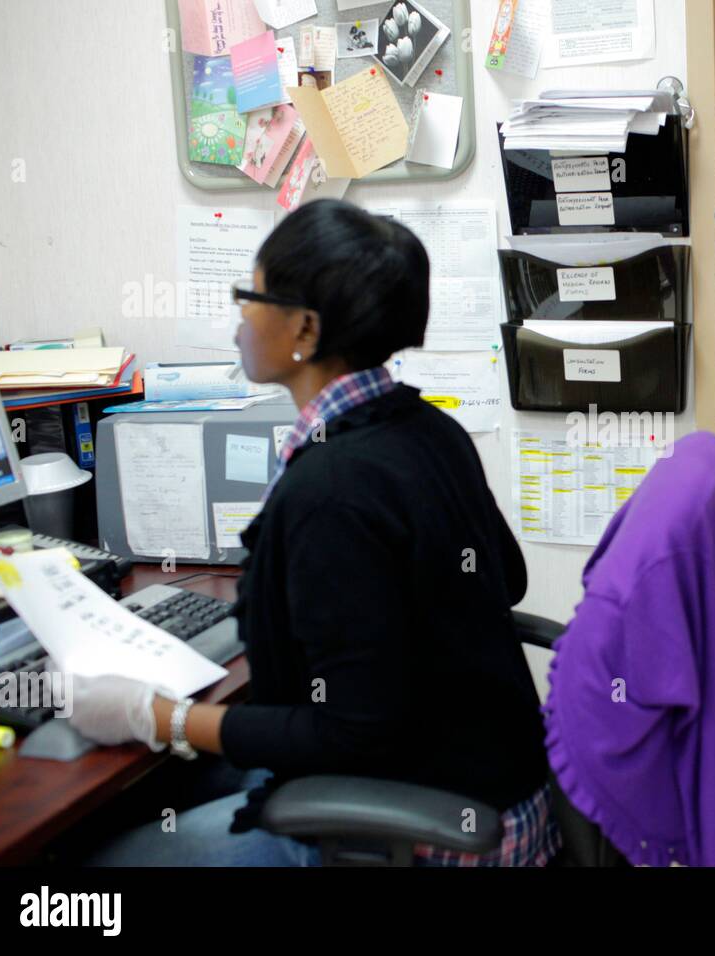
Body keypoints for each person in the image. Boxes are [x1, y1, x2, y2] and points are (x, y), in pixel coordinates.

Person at [71, 200, 558, 866]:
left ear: (303, 327)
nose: (241, 315)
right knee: (147, 797)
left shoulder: (331, 487)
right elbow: (508, 577)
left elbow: (350, 732)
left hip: (427, 829)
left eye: (253, 295)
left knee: (86, 869)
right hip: (504, 789)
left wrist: (157, 717)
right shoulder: (426, 427)